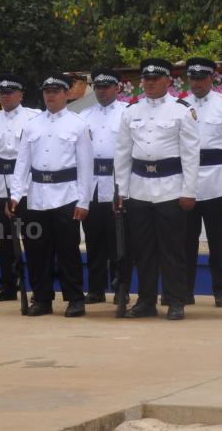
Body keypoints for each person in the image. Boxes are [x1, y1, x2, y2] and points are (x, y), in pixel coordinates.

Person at [115, 58, 200, 321]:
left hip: (171, 188)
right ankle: (146, 301)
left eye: (154, 79)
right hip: (139, 188)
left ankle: (176, 301)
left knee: (172, 249)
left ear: (167, 81)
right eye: (145, 79)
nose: (149, 84)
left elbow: (190, 154)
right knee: (143, 250)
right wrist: (121, 191)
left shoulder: (182, 110)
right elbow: (122, 153)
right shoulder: (131, 112)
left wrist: (189, 190)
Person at [10, 73, 92, 317]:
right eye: (47, 91)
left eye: (56, 91)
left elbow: (85, 167)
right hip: (37, 195)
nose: (51, 95)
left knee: (68, 251)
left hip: (67, 195)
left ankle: (75, 299)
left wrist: (84, 200)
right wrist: (15, 195)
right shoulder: (32, 124)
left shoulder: (78, 124)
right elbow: (22, 163)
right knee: (37, 251)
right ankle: (42, 299)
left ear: (66, 94)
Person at [182, 58, 222, 307]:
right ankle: (184, 290)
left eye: (201, 78)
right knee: (185, 241)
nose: (196, 83)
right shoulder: (179, 105)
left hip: (217, 181)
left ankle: (221, 290)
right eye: (193, 78)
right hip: (187, 182)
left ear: (211, 78)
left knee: (218, 242)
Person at [0, 74, 39, 302]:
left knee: (32, 238)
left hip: (26, 185)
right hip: (0, 183)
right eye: (2, 93)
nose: (5, 96)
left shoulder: (33, 118)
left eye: (10, 92)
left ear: (21, 94)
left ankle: (37, 286)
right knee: (5, 238)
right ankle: (8, 285)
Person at [79, 68, 128, 303]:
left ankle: (121, 287)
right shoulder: (84, 116)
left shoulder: (127, 113)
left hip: (117, 181)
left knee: (118, 239)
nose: (101, 91)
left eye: (106, 87)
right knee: (93, 238)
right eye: (98, 87)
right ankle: (96, 289)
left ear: (117, 88)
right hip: (93, 183)